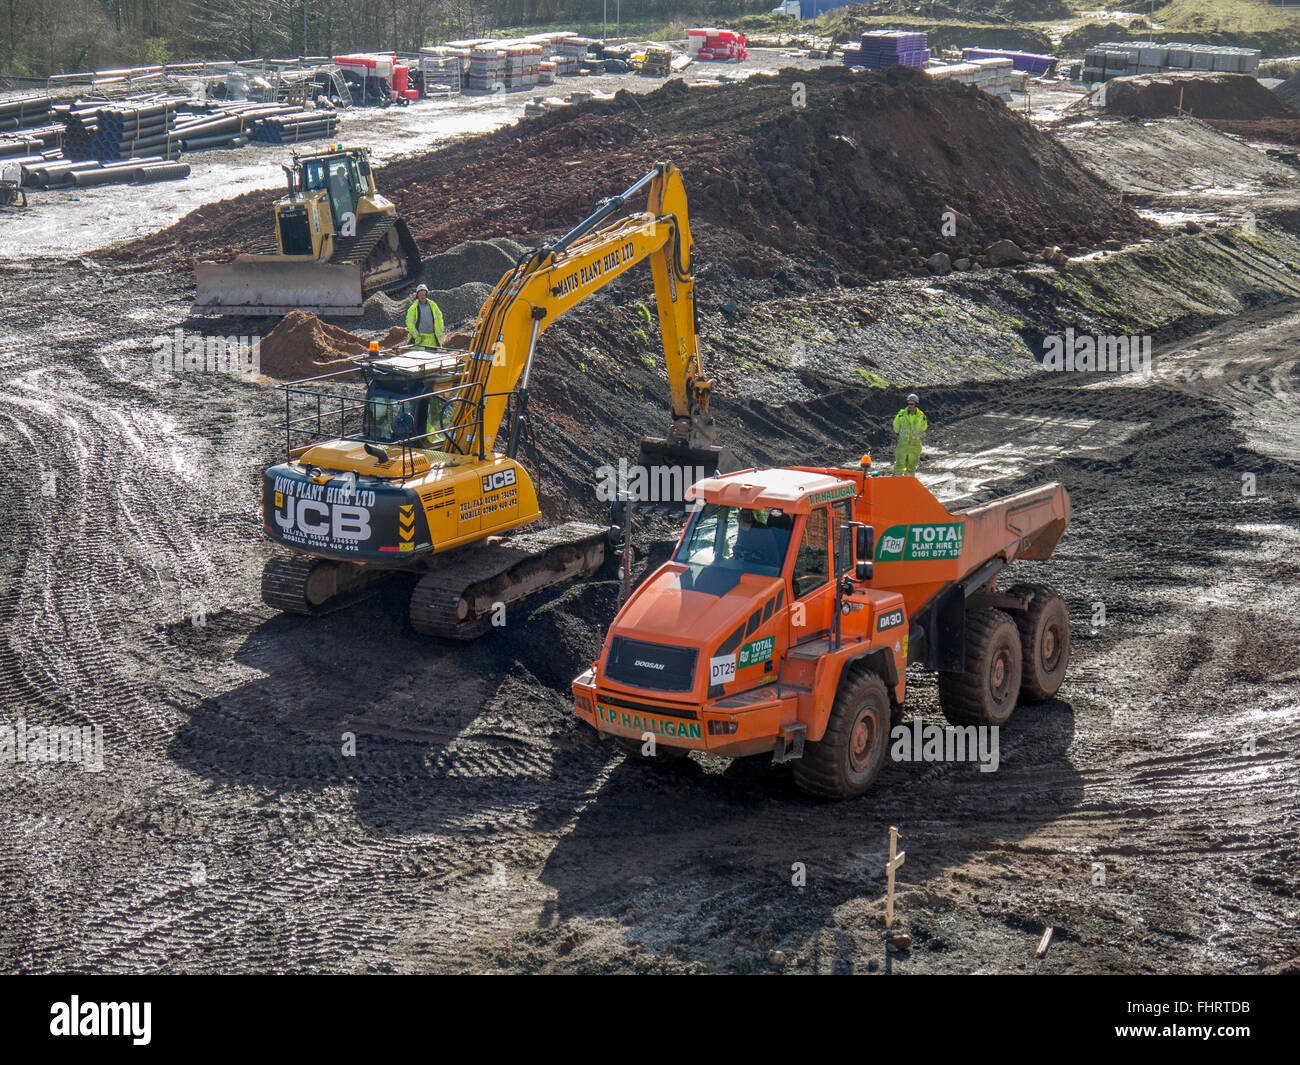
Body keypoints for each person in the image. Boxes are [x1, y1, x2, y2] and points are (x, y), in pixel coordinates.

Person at [892, 393, 928, 476]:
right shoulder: (901, 415)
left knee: (912, 466)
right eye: (908, 403)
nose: (910, 406)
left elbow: (924, 428)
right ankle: (896, 483)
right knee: (899, 464)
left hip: (915, 445)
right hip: (903, 444)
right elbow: (896, 427)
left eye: (912, 404)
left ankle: (908, 484)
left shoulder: (922, 416)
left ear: (916, 404)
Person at [406, 283, 444, 349]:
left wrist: (441, 329)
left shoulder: (433, 305)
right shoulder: (413, 308)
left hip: (433, 340)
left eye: (424, 294)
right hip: (420, 340)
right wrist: (416, 336)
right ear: (417, 295)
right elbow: (409, 323)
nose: (422, 296)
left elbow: (439, 317)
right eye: (420, 295)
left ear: (426, 294)